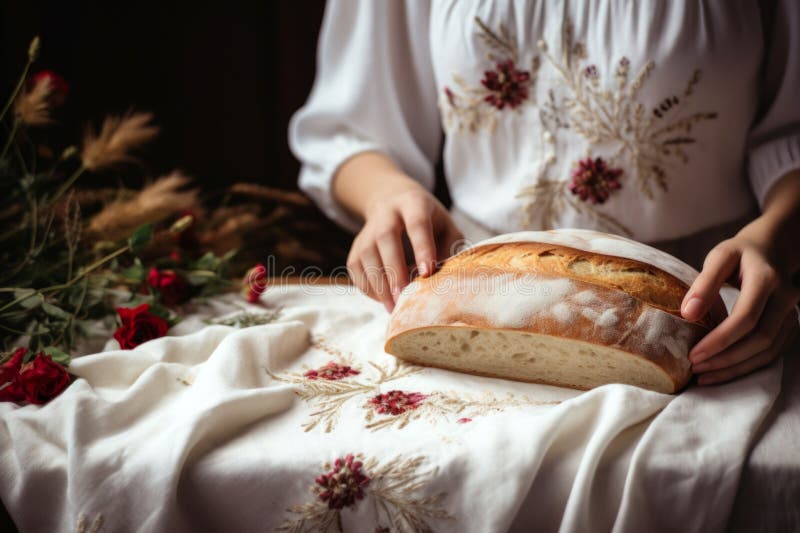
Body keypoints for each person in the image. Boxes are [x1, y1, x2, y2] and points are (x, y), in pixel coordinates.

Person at [289, 1, 800, 386]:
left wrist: (774, 237)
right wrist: (387, 195)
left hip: (709, 313)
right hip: (472, 293)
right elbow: (350, 130)